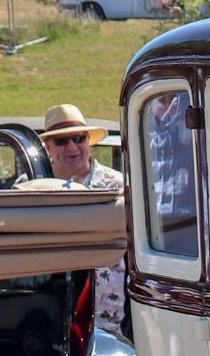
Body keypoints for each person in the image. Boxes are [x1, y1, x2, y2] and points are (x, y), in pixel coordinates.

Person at [39, 104, 127, 337]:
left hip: (106, 319)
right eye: (61, 141)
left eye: (78, 138)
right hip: (45, 319)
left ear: (88, 141)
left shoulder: (118, 186)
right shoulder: (30, 188)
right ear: (47, 147)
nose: (72, 147)